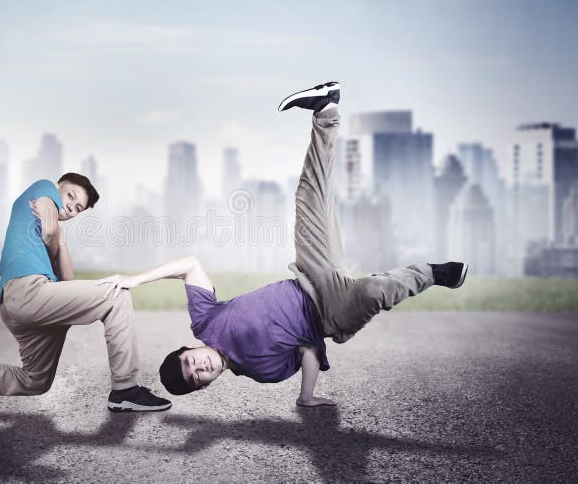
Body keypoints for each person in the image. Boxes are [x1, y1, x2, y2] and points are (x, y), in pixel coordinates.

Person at [98, 82, 468, 407]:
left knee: (309, 199)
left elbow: (190, 265)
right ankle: (435, 274)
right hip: (331, 313)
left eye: (190, 362)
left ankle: (327, 110)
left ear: (189, 349)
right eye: (197, 378)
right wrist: (306, 397)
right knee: (374, 291)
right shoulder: (264, 372)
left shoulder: (205, 321)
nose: (199, 367)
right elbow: (308, 350)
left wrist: (135, 279)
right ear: (206, 385)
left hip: (311, 274)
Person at [0, 172, 172, 412]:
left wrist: (60, 239)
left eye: (78, 208)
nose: (70, 207)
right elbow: (48, 219)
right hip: (27, 292)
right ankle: (126, 390)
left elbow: (68, 281)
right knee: (116, 293)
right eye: (70, 196)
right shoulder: (43, 187)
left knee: (35, 380)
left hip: (20, 305)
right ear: (59, 186)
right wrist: (52, 230)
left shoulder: (54, 234)